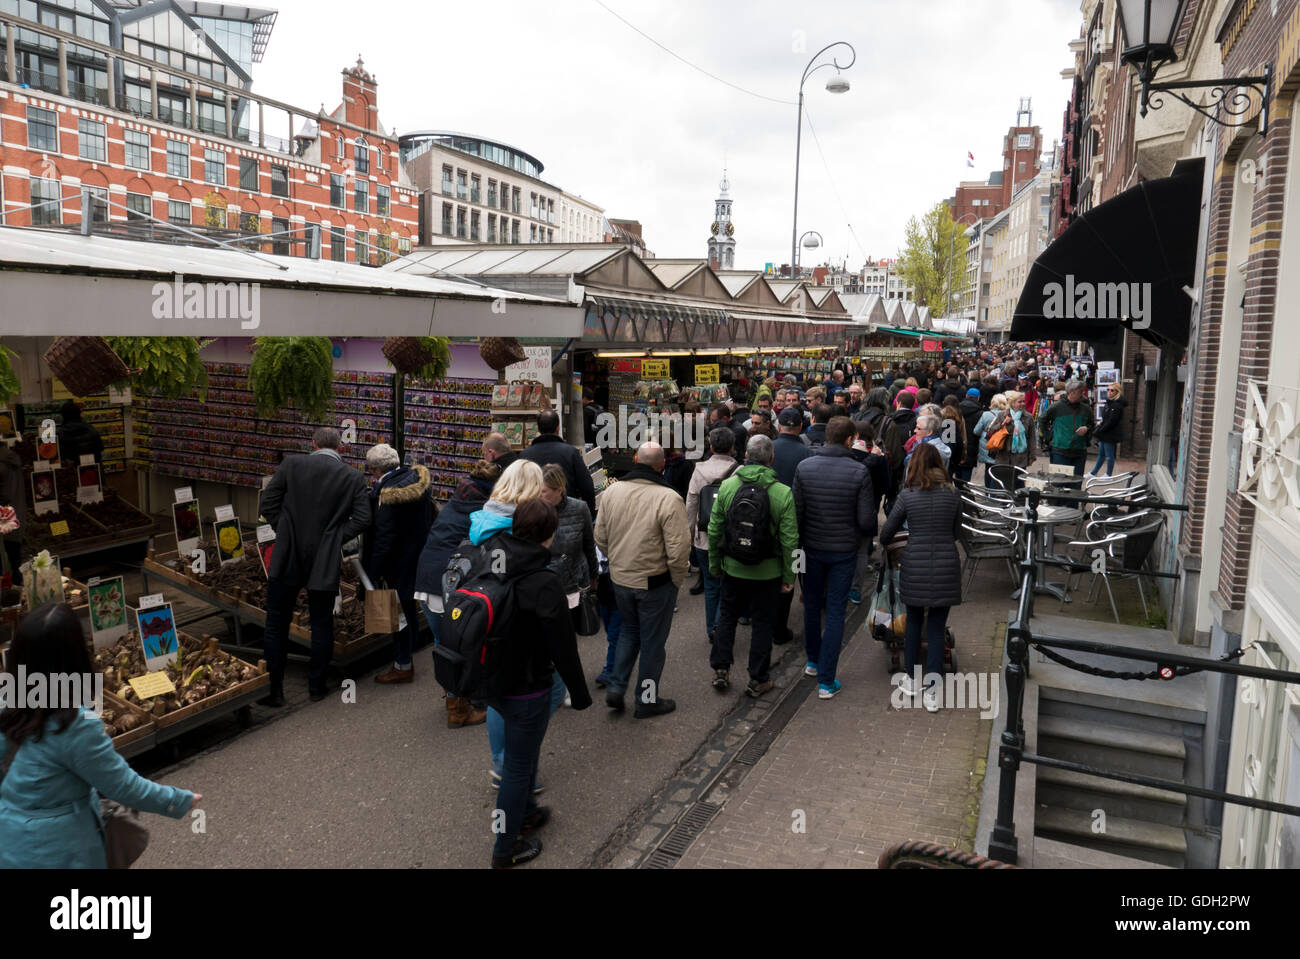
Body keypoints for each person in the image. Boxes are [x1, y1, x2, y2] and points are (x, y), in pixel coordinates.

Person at [0, 604, 199, 868]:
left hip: (10, 841)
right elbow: (122, 785)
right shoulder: (75, 723)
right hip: (62, 851)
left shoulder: (9, 705)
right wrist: (177, 800)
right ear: (75, 655)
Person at [482, 498, 592, 869]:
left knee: (523, 755)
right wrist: (579, 694)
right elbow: (563, 648)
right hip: (527, 685)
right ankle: (505, 849)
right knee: (517, 765)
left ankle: (527, 812)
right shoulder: (544, 581)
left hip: (492, 678)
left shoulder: (494, 557)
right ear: (550, 534)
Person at [258, 427, 372, 705]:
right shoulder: (352, 476)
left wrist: (283, 529)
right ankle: (316, 687)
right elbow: (363, 518)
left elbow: (268, 502)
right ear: (340, 448)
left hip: (288, 553)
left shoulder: (292, 465)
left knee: (276, 622)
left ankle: (275, 691)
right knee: (322, 622)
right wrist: (335, 537)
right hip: (324, 558)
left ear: (313, 444)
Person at [594, 442, 690, 718]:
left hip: (621, 579)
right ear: (662, 465)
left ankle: (616, 685)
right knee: (652, 643)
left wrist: (618, 561)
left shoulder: (612, 492)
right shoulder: (668, 498)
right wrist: (676, 579)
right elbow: (678, 549)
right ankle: (646, 700)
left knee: (629, 631)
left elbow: (599, 535)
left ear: (636, 459)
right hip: (654, 582)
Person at [706, 435, 798, 697]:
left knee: (727, 617)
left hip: (733, 567)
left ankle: (721, 669)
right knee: (763, 624)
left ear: (746, 456)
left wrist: (715, 564)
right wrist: (790, 576)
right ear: (771, 459)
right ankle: (758, 679)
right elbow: (791, 540)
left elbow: (714, 530)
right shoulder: (782, 493)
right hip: (768, 572)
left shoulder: (727, 487)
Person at [793, 417, 877, 700]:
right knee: (836, 612)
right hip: (843, 552)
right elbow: (867, 521)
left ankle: (813, 662)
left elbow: (797, 515)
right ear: (850, 439)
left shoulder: (804, 467)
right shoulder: (859, 471)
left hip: (810, 549)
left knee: (812, 606)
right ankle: (827, 681)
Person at [413, 460, 499, 728]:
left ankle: (452, 694)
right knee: (463, 642)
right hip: (449, 580)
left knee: (443, 640)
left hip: (425, 578)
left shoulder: (454, 502)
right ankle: (459, 709)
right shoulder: (482, 511)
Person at [880, 442, 963, 713]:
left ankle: (913, 679)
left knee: (914, 622)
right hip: (946, 564)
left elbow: (886, 532)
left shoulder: (907, 495)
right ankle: (933, 691)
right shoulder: (953, 493)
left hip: (914, 563)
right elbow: (956, 532)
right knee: (938, 627)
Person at [363, 444, 435, 685]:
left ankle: (403, 665)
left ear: (375, 469)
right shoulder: (416, 480)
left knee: (398, 613)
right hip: (416, 557)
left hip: (397, 563)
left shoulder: (387, 494)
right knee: (408, 607)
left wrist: (373, 572)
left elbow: (384, 537)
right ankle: (408, 654)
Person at [686, 428, 740, 641]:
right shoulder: (739, 471)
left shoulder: (699, 470)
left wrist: (689, 534)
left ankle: (712, 628)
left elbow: (691, 504)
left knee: (710, 586)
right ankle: (721, 625)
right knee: (728, 586)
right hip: (730, 539)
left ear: (710, 447)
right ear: (732, 447)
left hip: (704, 538)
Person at [520, 409, 597, 516]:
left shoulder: (525, 455)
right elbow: (586, 487)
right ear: (558, 427)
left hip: (536, 515)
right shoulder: (571, 453)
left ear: (538, 428)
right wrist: (590, 514)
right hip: (566, 514)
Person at [1038, 378, 1094, 476]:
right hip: (1060, 452)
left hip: (1079, 452)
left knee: (1076, 484)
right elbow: (1042, 419)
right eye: (1080, 392)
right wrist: (1049, 438)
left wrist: (1087, 429)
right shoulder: (1057, 406)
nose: (1083, 394)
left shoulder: (1086, 409)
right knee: (1059, 483)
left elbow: (1092, 424)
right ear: (1072, 392)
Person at [994, 391, 1038, 475]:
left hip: (1020, 459)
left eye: (1023, 401)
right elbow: (991, 431)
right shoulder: (1002, 415)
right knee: (1003, 485)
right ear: (1012, 403)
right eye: (1020, 402)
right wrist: (1003, 424)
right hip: (1003, 458)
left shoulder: (1028, 417)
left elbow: (1032, 437)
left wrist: (1032, 456)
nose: (1023, 404)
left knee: (1018, 484)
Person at [0, 443, 25, 585]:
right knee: (15, 563)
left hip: (4, 521)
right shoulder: (10, 458)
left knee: (7, 569)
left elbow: (4, 495)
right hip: (15, 516)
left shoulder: (2, 464)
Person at [972, 394, 1008, 489]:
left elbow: (976, 431)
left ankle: (988, 491)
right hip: (1001, 444)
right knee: (997, 470)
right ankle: (995, 492)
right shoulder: (1008, 415)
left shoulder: (986, 414)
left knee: (988, 468)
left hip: (988, 445)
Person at [1090, 383, 1126, 477]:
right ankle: (1094, 472)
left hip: (1110, 434)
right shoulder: (1109, 403)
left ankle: (1109, 474)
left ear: (1117, 392)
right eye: (1108, 390)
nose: (1109, 392)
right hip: (1105, 433)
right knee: (1101, 454)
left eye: (1112, 390)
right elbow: (1105, 420)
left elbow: (1111, 421)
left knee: (1109, 456)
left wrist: (1100, 430)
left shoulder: (1117, 405)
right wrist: (1099, 429)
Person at [957, 387, 984, 483]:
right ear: (978, 398)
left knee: (957, 475)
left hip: (957, 446)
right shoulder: (980, 413)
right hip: (972, 448)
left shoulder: (956, 410)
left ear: (966, 396)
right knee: (966, 476)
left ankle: (958, 494)